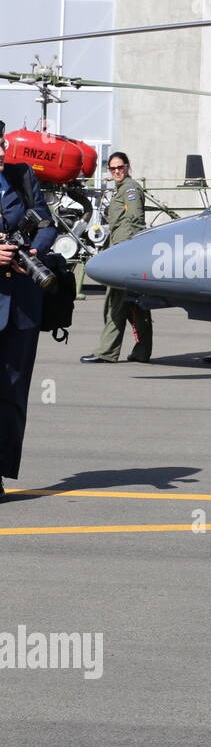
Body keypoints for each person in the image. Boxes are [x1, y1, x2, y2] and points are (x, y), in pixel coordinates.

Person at [0, 119, 57, 501]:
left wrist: (34, 249)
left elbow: (48, 222)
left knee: (12, 394)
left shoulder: (22, 176)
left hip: (20, 303)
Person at [81, 152, 150, 364]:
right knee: (135, 306)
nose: (117, 171)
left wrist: (124, 255)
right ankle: (142, 352)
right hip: (123, 251)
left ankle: (107, 352)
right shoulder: (121, 189)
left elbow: (135, 221)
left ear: (127, 167)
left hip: (124, 255)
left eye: (120, 167)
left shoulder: (130, 189)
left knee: (115, 303)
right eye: (113, 169)